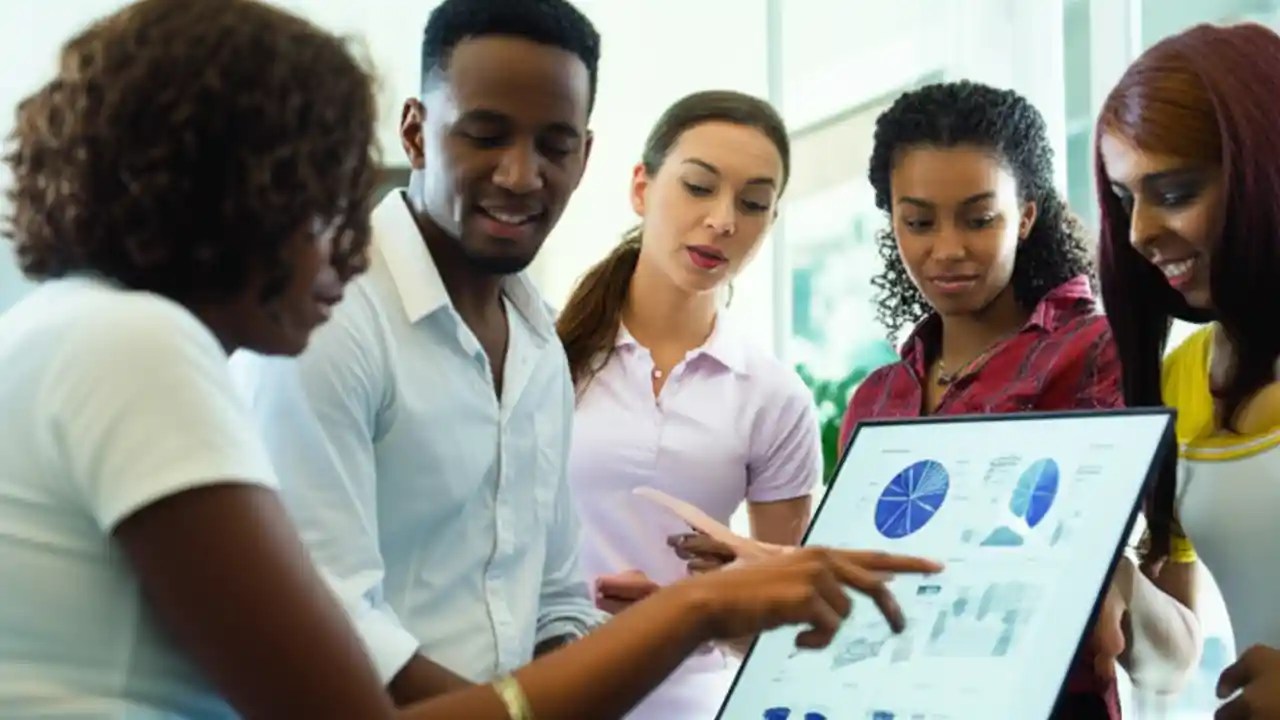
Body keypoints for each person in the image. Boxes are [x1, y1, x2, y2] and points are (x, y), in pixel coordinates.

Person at [0, 1, 946, 718]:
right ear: (237, 199)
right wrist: (691, 613)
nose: (348, 243)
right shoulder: (133, 346)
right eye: (326, 199)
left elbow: (553, 602)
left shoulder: (536, 337)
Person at [675, 80, 1128, 719]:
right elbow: (877, 596)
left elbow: (1091, 575)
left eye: (978, 219)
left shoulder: (1096, 354)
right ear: (892, 221)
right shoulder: (878, 399)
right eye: (917, 221)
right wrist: (766, 571)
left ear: (1026, 215)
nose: (946, 249)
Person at [556, 89, 822, 718]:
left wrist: (684, 615)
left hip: (695, 705)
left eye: (753, 203)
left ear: (770, 223)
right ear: (642, 188)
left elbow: (782, 627)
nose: (725, 220)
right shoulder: (547, 359)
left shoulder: (774, 397)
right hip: (547, 691)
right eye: (699, 187)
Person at [1095, 21, 1280, 719]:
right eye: (1123, 198)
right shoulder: (1178, 379)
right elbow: (1172, 664)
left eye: (1173, 193)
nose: (1138, 232)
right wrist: (1108, 584)